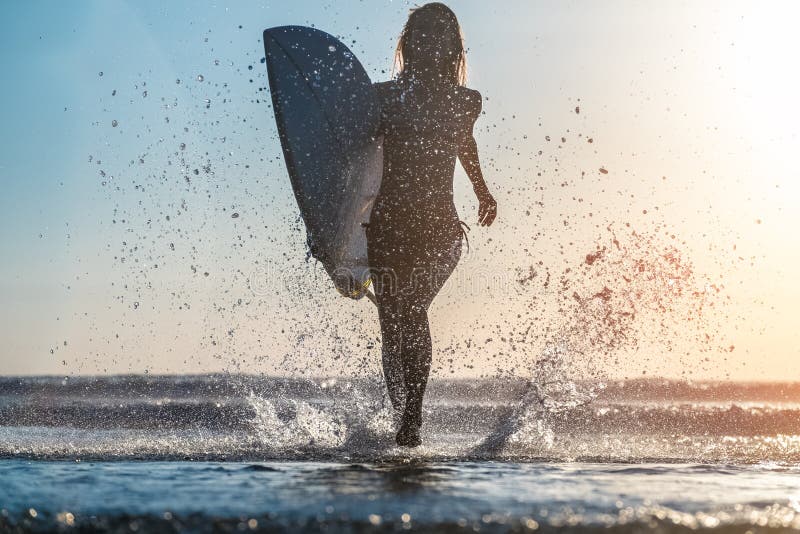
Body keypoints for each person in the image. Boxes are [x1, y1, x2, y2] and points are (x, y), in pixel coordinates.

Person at [365, 2, 497, 447]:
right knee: (390, 321)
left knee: (413, 308)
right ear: (408, 41)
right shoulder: (382, 98)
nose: (429, 43)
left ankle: (412, 419)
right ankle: (400, 415)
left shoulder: (465, 101)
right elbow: (352, 158)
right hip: (385, 227)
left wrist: (482, 191)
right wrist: (330, 220)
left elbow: (465, 146)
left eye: (439, 36)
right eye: (421, 34)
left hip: (439, 228)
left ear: (451, 47)